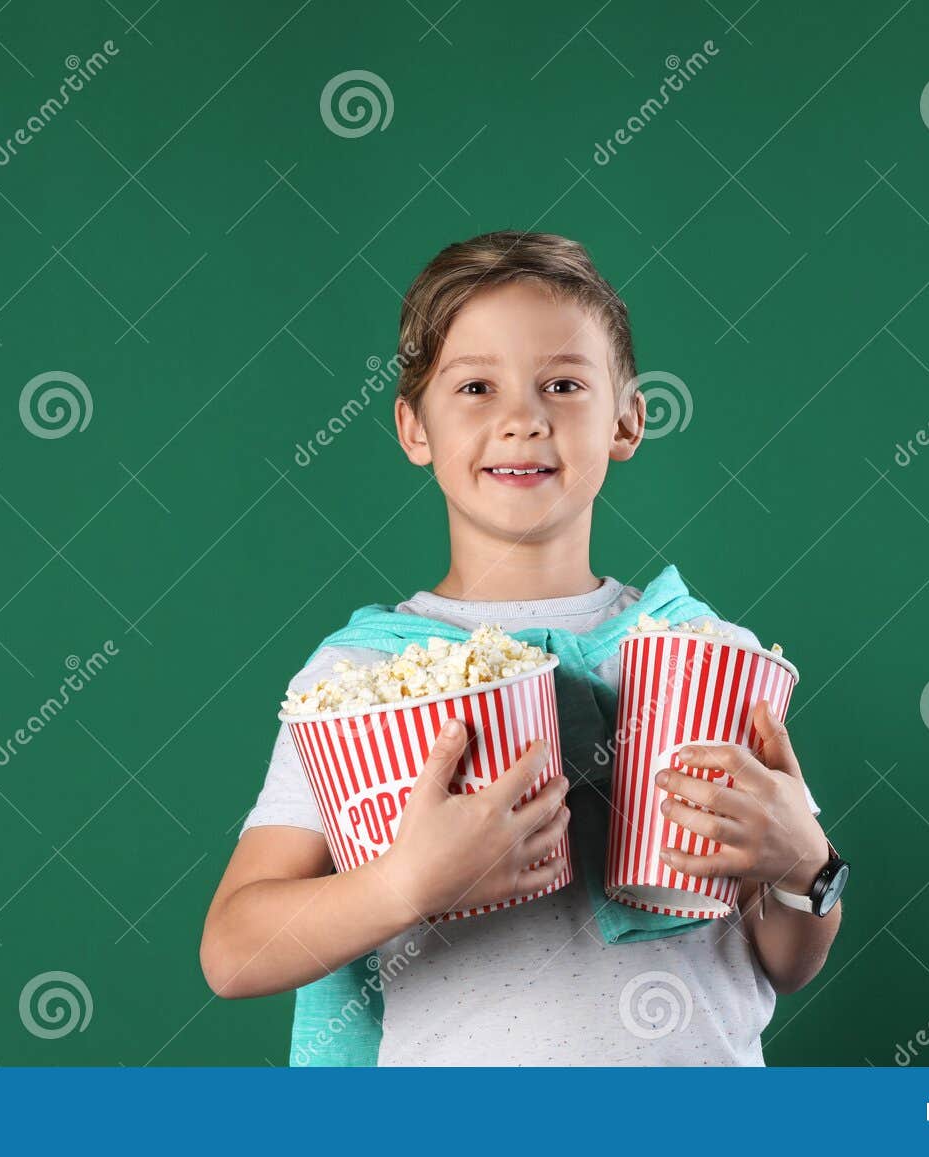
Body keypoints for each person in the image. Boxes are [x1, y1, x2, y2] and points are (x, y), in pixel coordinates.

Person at [199, 230, 843, 1065]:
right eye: (474, 386)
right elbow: (232, 948)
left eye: (564, 384)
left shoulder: (711, 655)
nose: (522, 419)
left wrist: (808, 863)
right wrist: (402, 884)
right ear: (413, 426)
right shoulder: (362, 680)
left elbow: (785, 959)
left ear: (627, 418)